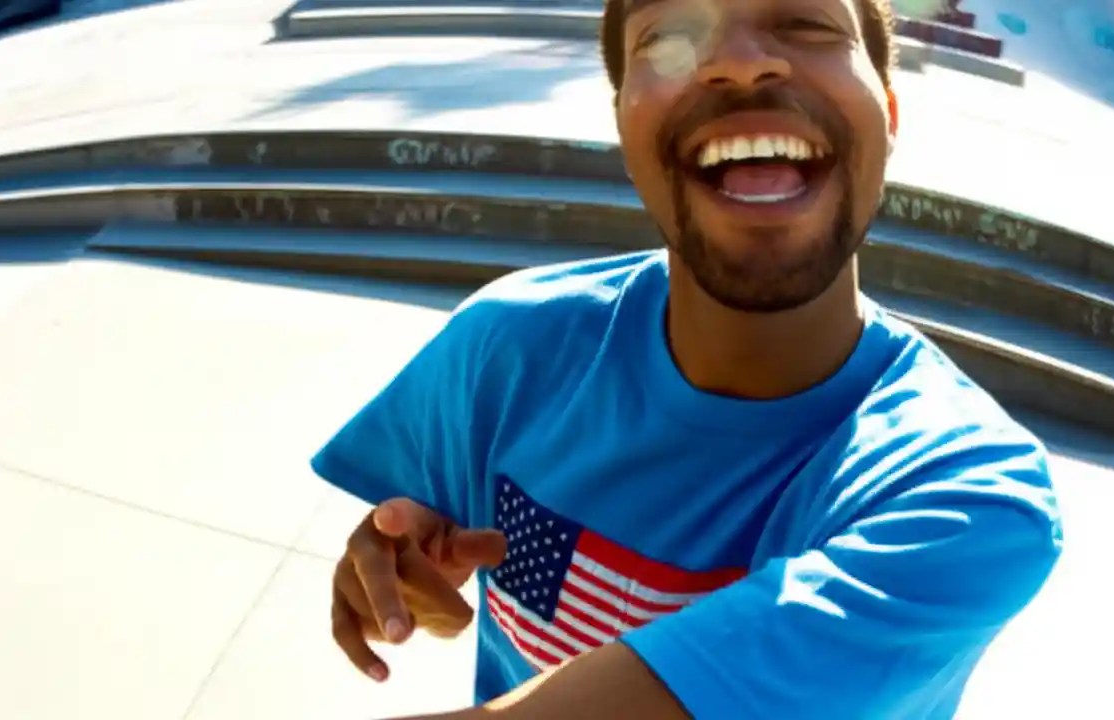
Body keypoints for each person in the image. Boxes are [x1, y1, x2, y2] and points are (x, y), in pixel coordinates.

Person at [312, 0, 1064, 717]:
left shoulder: (964, 496)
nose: (738, 64)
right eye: (669, 38)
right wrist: (402, 571)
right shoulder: (509, 346)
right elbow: (425, 555)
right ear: (623, 127)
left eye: (806, 22)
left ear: (890, 117)